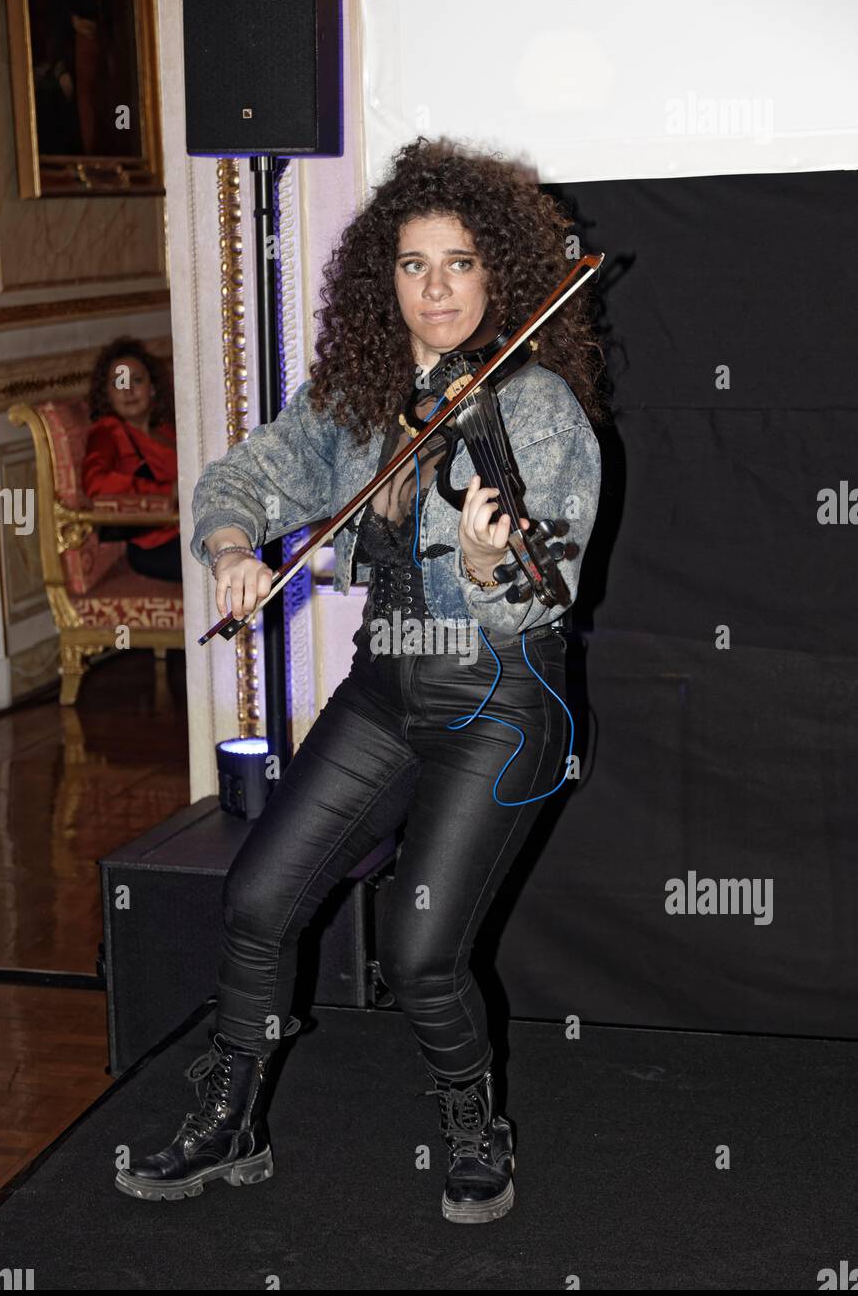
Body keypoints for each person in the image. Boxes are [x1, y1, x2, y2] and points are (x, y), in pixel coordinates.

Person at [114, 137, 606, 1223]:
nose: (436, 288)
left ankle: (476, 1124)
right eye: (413, 264)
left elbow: (542, 589)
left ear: (502, 276)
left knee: (424, 951)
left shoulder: (540, 416)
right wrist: (236, 542)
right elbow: (246, 472)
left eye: (460, 262)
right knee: (256, 899)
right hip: (387, 692)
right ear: (384, 279)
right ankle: (229, 1117)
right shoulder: (360, 396)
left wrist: (488, 565)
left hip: (500, 705)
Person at [83, 337, 182, 582]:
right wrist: (168, 492)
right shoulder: (108, 432)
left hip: (193, 530)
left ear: (152, 387)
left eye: (136, 380)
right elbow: (96, 483)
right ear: (107, 393)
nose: (128, 390)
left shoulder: (168, 431)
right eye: (119, 382)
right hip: (155, 546)